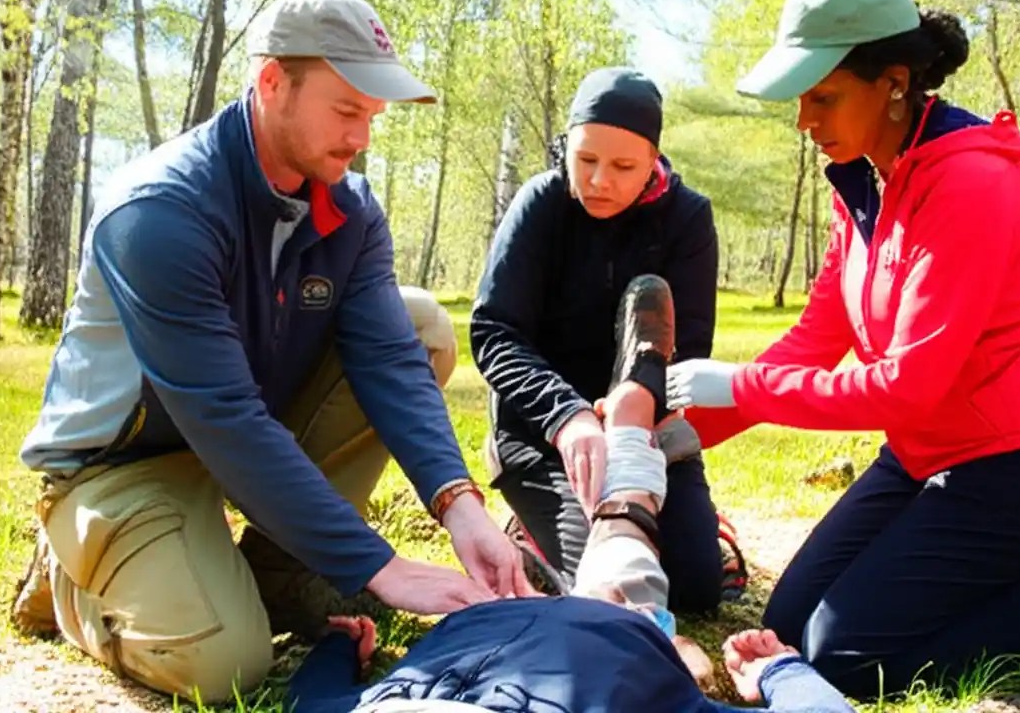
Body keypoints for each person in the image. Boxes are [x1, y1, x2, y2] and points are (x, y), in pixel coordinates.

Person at [8, 0, 532, 703]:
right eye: (346, 110)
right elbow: (223, 414)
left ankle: (282, 578)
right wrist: (380, 567)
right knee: (222, 667)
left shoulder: (350, 210)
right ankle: (71, 577)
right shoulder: (161, 212)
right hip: (124, 464)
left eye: (373, 117)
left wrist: (459, 505)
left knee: (418, 327)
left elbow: (389, 361)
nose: (363, 139)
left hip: (246, 434)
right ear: (271, 84)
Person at [664, 0, 1020, 699]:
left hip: (1015, 467)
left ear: (893, 82)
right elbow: (819, 337)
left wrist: (738, 385)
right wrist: (680, 432)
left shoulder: (971, 183)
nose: (804, 121)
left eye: (823, 98)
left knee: (841, 657)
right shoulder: (860, 180)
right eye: (801, 100)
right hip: (921, 456)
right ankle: (994, 569)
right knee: (792, 622)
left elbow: (908, 384)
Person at [288, 286, 855, 712]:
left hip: (485, 621)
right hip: (609, 636)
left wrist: (338, 649)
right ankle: (633, 427)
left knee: (624, 583)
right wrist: (778, 672)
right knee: (626, 559)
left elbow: (313, 702)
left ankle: (624, 446)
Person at [470, 67, 731, 612]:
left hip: (647, 429)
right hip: (543, 434)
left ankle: (699, 528)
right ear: (566, 146)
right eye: (585, 160)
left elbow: (691, 349)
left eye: (622, 166)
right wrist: (567, 415)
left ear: (654, 161)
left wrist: (631, 412)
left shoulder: (687, 219)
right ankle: (529, 526)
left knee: (696, 589)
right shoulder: (541, 205)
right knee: (601, 583)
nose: (598, 181)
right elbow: (494, 331)